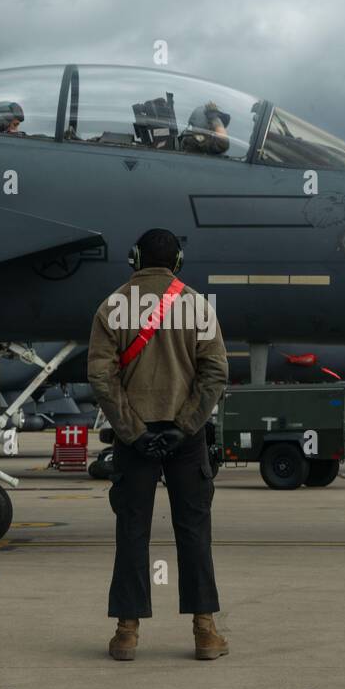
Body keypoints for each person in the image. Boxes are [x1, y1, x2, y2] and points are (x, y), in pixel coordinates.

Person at [87, 228, 230, 661]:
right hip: (185, 440)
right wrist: (185, 426)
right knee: (194, 531)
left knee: (132, 531)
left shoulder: (111, 306)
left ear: (133, 258)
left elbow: (100, 376)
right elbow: (215, 373)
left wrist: (133, 431)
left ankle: (126, 633)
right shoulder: (197, 305)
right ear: (178, 261)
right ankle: (205, 632)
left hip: (136, 440)